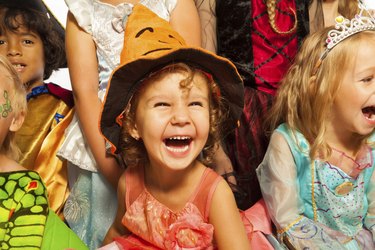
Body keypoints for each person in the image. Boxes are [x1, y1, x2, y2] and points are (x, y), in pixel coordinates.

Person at [99, 4, 250, 249]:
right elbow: (117, 233)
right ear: (133, 124)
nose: (181, 117)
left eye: (194, 103)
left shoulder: (216, 194)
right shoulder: (129, 183)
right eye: (162, 104)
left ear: (211, 118)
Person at [58, 0, 201, 248]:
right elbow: (86, 94)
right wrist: (114, 173)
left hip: (169, 130)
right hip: (107, 143)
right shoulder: (83, 11)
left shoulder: (175, 2)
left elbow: (193, 77)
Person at [195, 0, 359, 211]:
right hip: (239, 123)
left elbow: (318, 67)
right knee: (245, 212)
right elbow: (206, 76)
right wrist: (216, 150)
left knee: (297, 208)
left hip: (294, 115)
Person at [256, 3, 375, 248]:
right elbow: (288, 219)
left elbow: (373, 209)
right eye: (367, 79)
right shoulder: (290, 144)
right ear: (322, 88)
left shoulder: (371, 145)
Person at [0, 1, 74, 217]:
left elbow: (53, 182)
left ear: (47, 50)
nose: (13, 50)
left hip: (35, 215)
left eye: (27, 41)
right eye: (1, 41)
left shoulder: (61, 105)